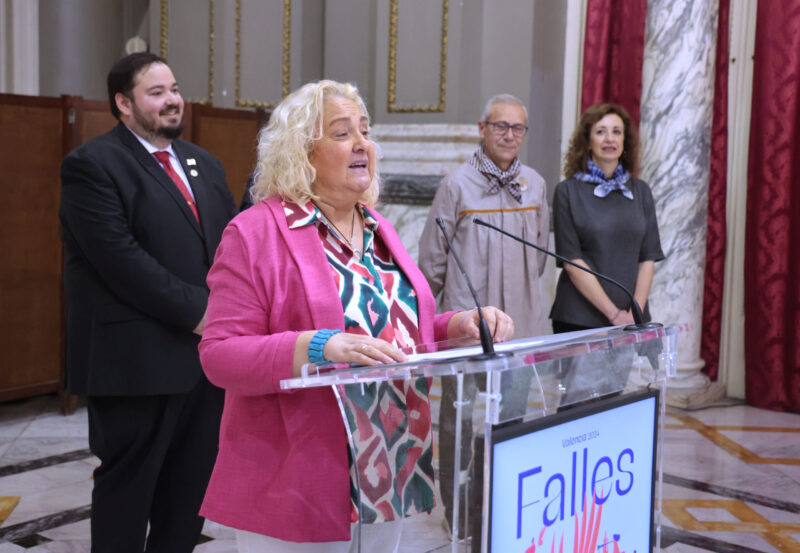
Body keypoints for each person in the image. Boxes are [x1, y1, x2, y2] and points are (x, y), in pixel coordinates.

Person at [197, 80, 514, 553]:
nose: (363, 143)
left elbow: (395, 328)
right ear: (302, 150)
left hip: (388, 463)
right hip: (296, 474)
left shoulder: (376, 226)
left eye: (364, 131)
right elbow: (219, 355)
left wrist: (455, 327)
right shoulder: (254, 232)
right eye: (342, 132)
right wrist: (316, 346)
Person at [59, 52, 237, 552]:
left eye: (175, 89)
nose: (173, 100)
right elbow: (121, 261)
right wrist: (204, 312)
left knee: (188, 495)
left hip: (203, 364)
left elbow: (229, 247)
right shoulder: (92, 165)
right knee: (127, 495)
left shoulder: (205, 164)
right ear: (124, 103)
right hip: (134, 364)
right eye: (156, 92)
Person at [417, 93, 549, 539]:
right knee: (459, 420)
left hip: (520, 331)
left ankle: (495, 501)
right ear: (482, 128)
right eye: (500, 127)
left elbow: (539, 258)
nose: (509, 136)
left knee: (509, 420)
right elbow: (432, 264)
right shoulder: (456, 185)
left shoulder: (535, 183)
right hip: (466, 332)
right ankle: (458, 510)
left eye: (517, 129)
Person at [550, 103, 664, 333]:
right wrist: (613, 314)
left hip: (630, 320)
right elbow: (572, 262)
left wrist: (635, 313)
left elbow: (647, 258)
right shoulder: (567, 191)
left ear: (625, 142)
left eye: (616, 132)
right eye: (600, 131)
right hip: (578, 318)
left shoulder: (641, 191)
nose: (609, 139)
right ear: (587, 141)